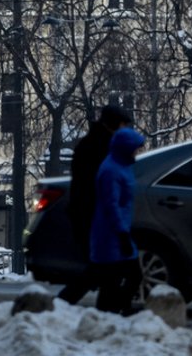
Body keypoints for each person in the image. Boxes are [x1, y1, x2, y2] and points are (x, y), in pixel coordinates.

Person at [57, 104, 133, 305]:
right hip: (94, 218)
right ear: (115, 125)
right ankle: (62, 306)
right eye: (125, 125)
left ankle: (102, 316)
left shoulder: (91, 144)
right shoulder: (104, 148)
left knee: (103, 271)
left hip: (88, 215)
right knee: (103, 271)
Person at [89, 125, 147, 316]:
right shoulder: (111, 171)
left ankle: (113, 311)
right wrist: (122, 234)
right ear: (125, 149)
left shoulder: (120, 166)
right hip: (111, 234)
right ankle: (111, 313)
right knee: (116, 279)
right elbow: (111, 205)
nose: (136, 153)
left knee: (117, 279)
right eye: (134, 149)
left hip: (117, 231)